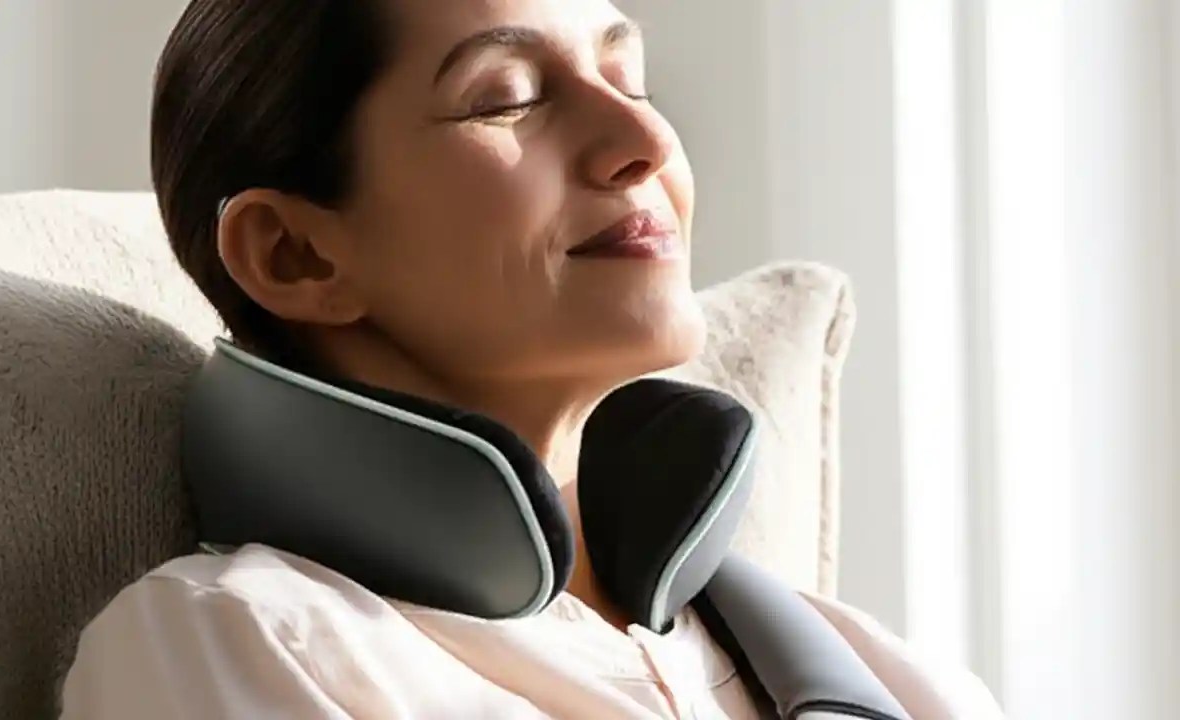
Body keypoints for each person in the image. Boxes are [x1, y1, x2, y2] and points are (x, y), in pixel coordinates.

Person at [60, 0, 1004, 717]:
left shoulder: (874, 670)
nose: (647, 142)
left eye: (630, 82)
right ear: (295, 254)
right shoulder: (237, 640)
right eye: (507, 99)